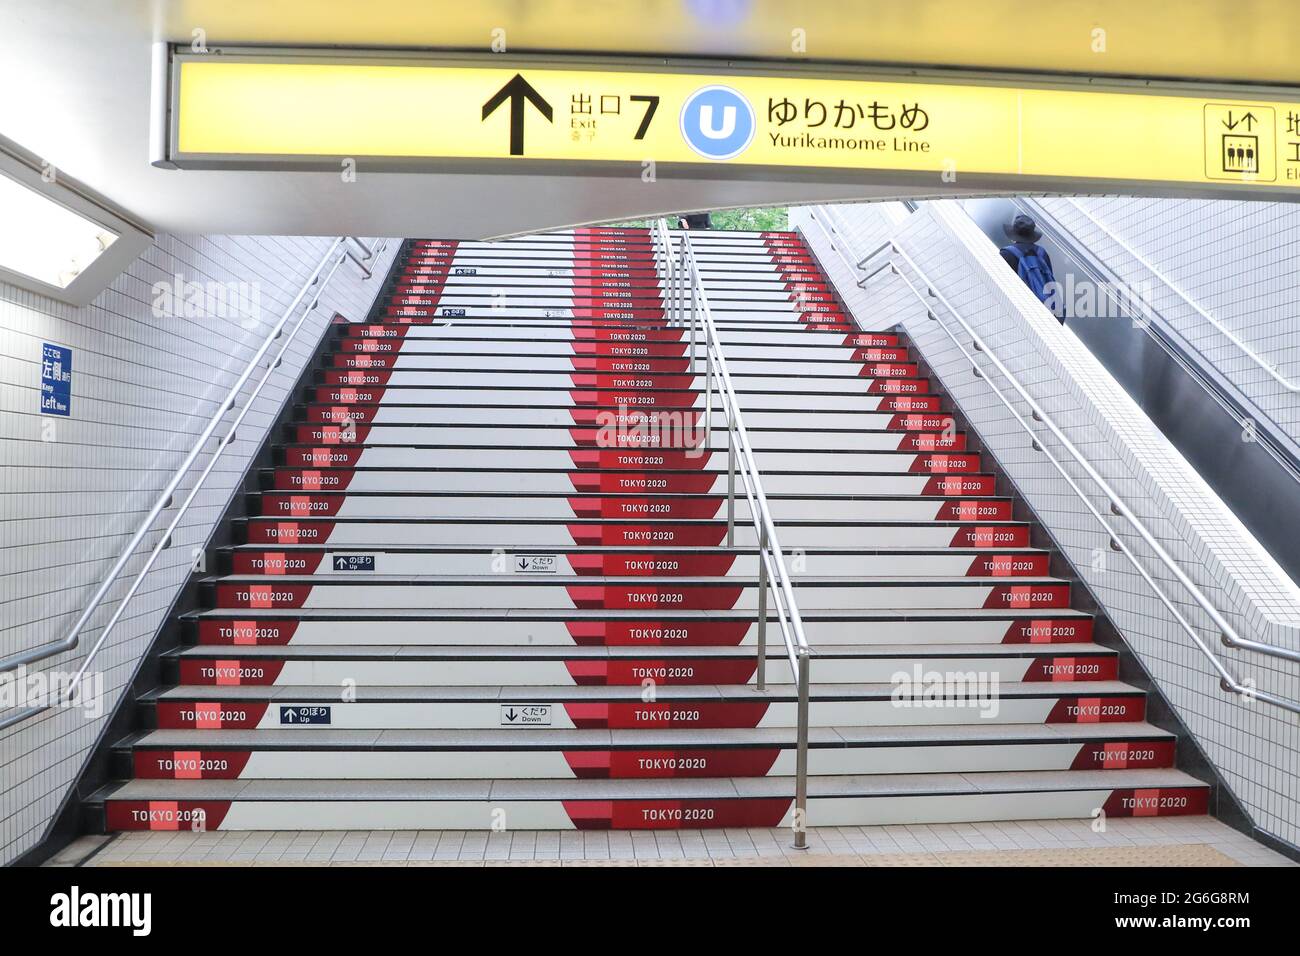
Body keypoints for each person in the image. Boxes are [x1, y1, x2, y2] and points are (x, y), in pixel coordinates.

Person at [1000, 214, 1062, 322]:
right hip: (1044, 309)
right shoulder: (1042, 254)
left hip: (1021, 309)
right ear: (1032, 235)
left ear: (1014, 234)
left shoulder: (1006, 254)